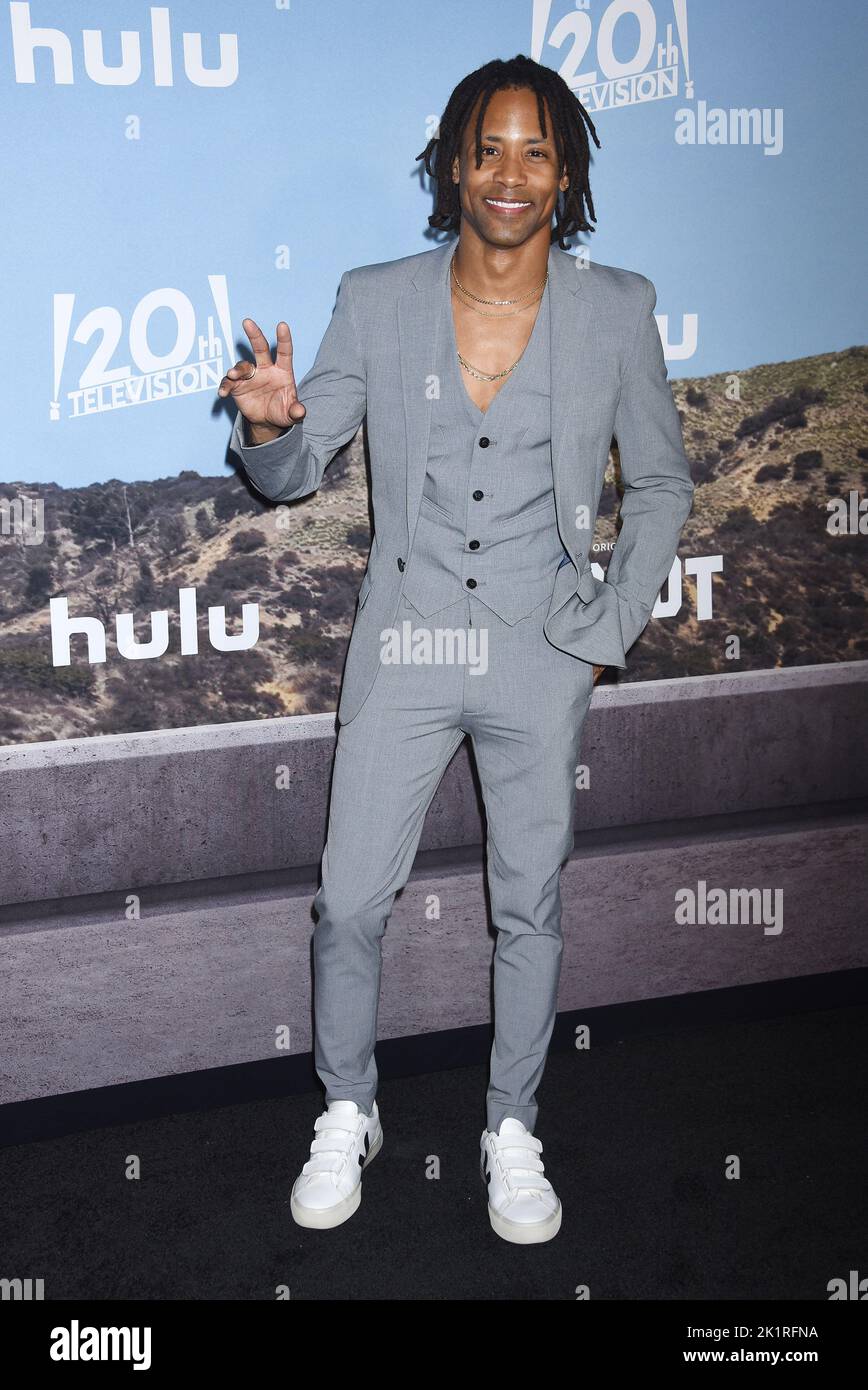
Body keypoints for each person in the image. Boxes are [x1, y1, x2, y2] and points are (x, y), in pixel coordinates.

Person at [220, 54, 694, 1245]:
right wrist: (270, 425)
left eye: (535, 149)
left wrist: (599, 636)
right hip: (405, 645)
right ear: (452, 163)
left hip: (542, 647)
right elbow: (293, 468)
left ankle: (511, 1126)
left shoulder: (618, 308)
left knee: (528, 905)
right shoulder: (375, 300)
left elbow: (664, 484)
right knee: (347, 900)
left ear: (566, 170)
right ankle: (346, 1109)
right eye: (488, 147)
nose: (509, 173)